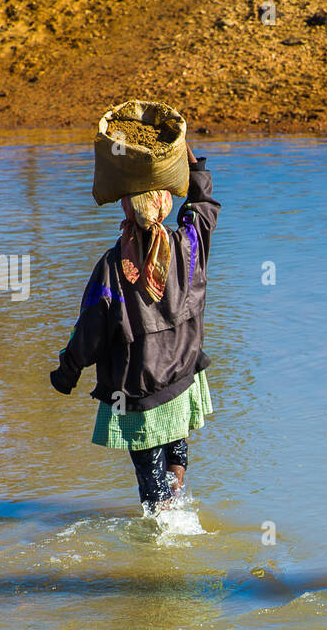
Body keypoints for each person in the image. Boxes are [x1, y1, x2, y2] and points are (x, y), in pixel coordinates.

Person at [49, 141, 220, 512]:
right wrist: (191, 159)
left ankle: (162, 533)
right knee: (176, 449)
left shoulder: (113, 267)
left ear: (127, 206)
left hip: (138, 395)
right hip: (182, 381)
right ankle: (176, 500)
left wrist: (67, 372)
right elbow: (203, 209)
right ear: (164, 204)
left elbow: (90, 332)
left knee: (150, 485)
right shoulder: (189, 247)